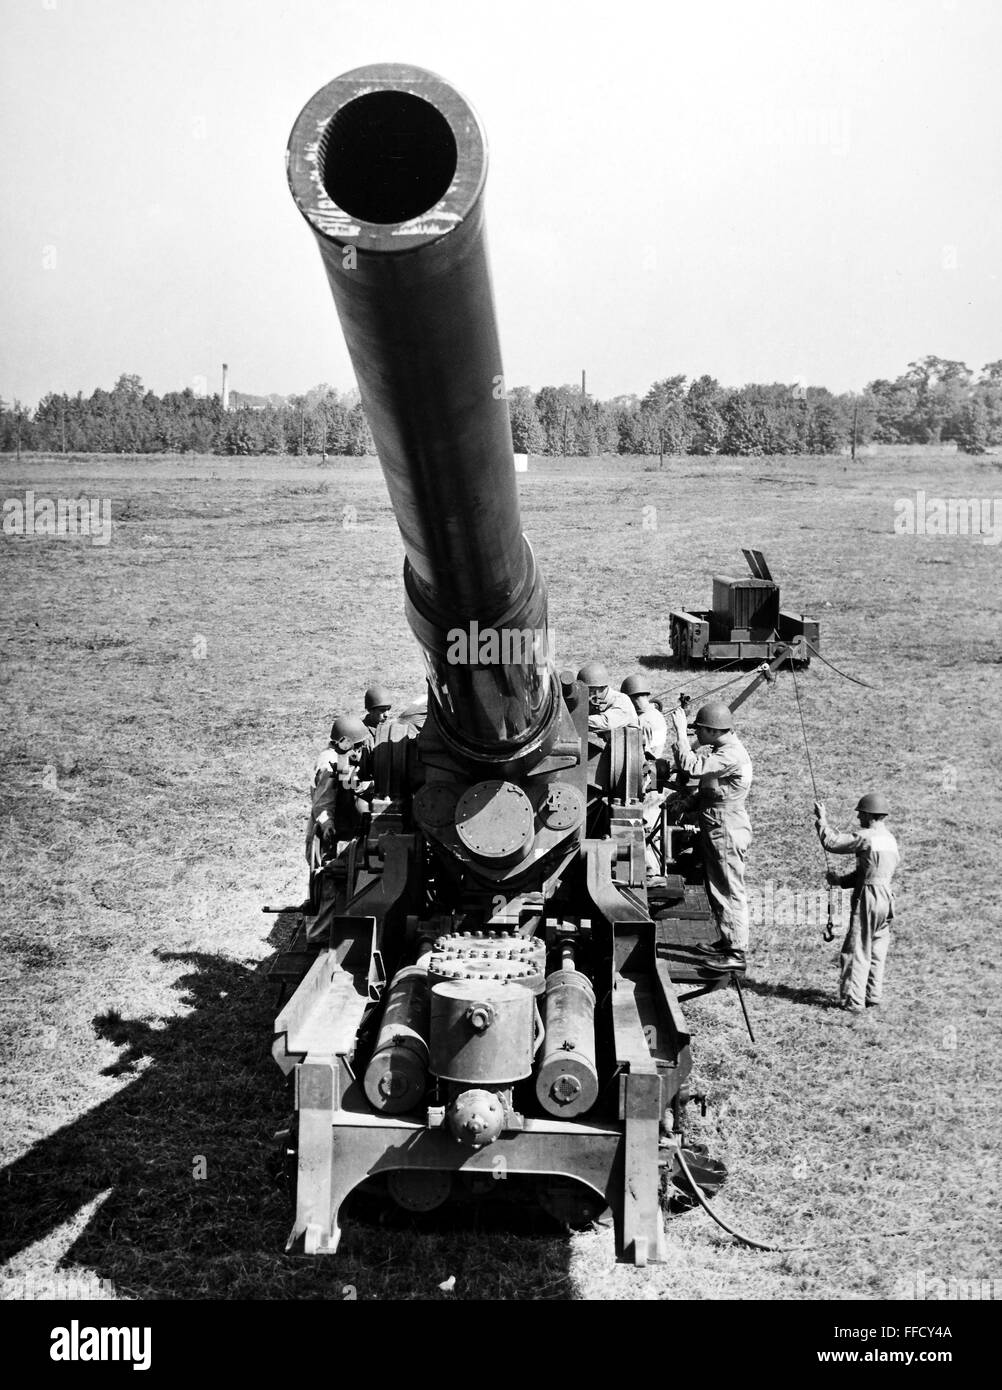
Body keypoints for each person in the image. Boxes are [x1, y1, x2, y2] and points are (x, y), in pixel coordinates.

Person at [668, 700, 752, 966]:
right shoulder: (720, 750)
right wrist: (687, 804)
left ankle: (736, 952)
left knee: (728, 888)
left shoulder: (730, 755)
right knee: (717, 886)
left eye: (699, 730)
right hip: (717, 825)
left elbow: (692, 768)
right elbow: (712, 791)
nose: (697, 735)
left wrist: (680, 732)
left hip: (726, 829)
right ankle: (727, 940)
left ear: (714, 731)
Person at [814, 793, 899, 1013]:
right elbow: (869, 872)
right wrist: (841, 881)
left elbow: (831, 842)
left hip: (869, 898)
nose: (859, 816)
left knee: (858, 948)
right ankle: (872, 994)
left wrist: (822, 819)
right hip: (887, 898)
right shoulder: (890, 839)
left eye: (861, 812)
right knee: (878, 947)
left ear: (870, 814)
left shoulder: (867, 836)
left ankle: (853, 1001)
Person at [578, 661, 638, 734]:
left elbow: (607, 723)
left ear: (600, 688)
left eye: (588, 689)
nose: (584, 693)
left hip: (626, 743)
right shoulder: (594, 702)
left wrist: (576, 720)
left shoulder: (621, 700)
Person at [622, 673, 668, 758]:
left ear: (630, 698)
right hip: (654, 764)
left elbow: (646, 754)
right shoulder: (657, 715)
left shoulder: (643, 721)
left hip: (644, 767)